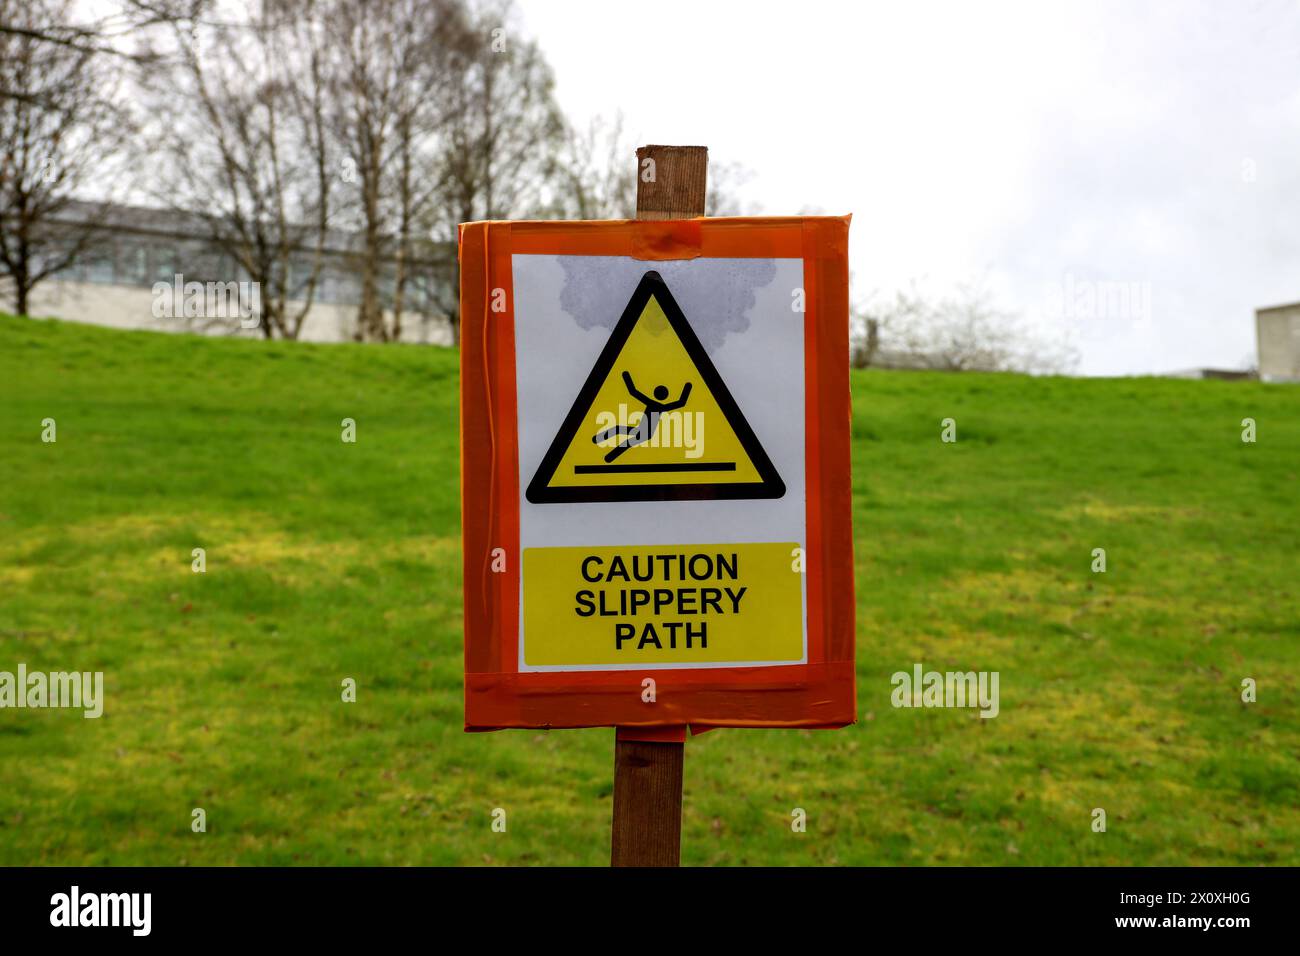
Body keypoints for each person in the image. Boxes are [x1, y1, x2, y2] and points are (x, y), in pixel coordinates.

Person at [592, 371, 692, 463]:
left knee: (625, 441)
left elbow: (633, 392)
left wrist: (626, 376)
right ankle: (600, 444)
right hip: (641, 430)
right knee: (620, 433)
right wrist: (687, 387)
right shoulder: (661, 407)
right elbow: (680, 403)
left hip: (645, 433)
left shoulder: (653, 404)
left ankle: (607, 456)